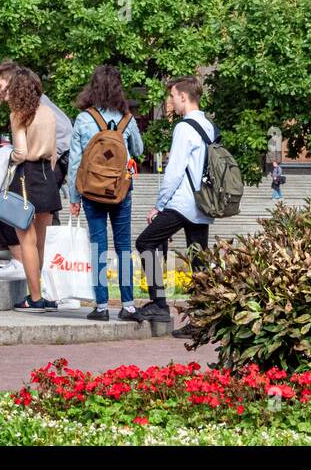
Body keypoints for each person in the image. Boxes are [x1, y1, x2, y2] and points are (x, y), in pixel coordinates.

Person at [134, 75, 215, 333]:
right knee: (198, 259)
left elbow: (175, 171)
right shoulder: (209, 126)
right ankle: (203, 318)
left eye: (172, 96)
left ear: (183, 96)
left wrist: (159, 205)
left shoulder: (184, 127)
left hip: (183, 202)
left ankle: (159, 303)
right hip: (203, 202)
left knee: (145, 242)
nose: (170, 102)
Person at [67, 64, 144, 322]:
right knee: (123, 247)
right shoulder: (128, 119)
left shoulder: (83, 118)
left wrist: (74, 198)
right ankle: (129, 305)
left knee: (98, 247)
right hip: (121, 190)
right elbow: (140, 149)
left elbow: (75, 162)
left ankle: (101, 306)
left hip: (91, 191)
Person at [0, 61, 70, 283]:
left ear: (13, 82)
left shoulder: (26, 109)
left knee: (14, 218)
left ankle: (26, 269)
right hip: (46, 168)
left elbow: (60, 138)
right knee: (36, 232)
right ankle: (35, 278)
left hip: (42, 167)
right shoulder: (41, 108)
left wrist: (13, 156)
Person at [0, 68, 61, 312]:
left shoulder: (19, 114)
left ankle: (34, 298)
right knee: (40, 242)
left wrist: (10, 156)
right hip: (48, 175)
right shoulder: (49, 113)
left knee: (26, 240)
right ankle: (40, 293)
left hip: (26, 175)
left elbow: (22, 152)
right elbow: (55, 151)